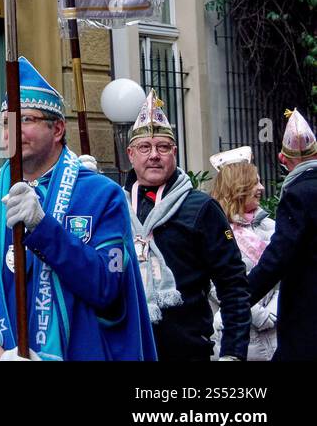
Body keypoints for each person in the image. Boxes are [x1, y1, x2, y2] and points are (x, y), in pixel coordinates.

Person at [0, 57, 156, 361]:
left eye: (26, 120)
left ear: (57, 129)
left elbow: (109, 285)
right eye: (6, 122)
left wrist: (44, 228)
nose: (13, 132)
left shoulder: (103, 197)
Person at [123, 94, 250, 361]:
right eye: (145, 147)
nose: (154, 155)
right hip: (125, 348)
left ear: (175, 153)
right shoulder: (114, 207)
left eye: (163, 147)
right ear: (131, 154)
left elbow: (233, 284)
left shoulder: (201, 207)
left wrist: (233, 353)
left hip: (187, 350)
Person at [246, 108, 317, 361]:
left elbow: (278, 257)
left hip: (307, 311)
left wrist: (241, 296)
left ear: (282, 159)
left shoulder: (298, 194)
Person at [208, 146, 278, 360]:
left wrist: (274, 313)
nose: (262, 187)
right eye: (255, 182)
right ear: (238, 186)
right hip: (235, 337)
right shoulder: (212, 228)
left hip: (276, 336)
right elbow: (214, 284)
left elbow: (287, 273)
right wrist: (257, 314)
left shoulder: (272, 227)